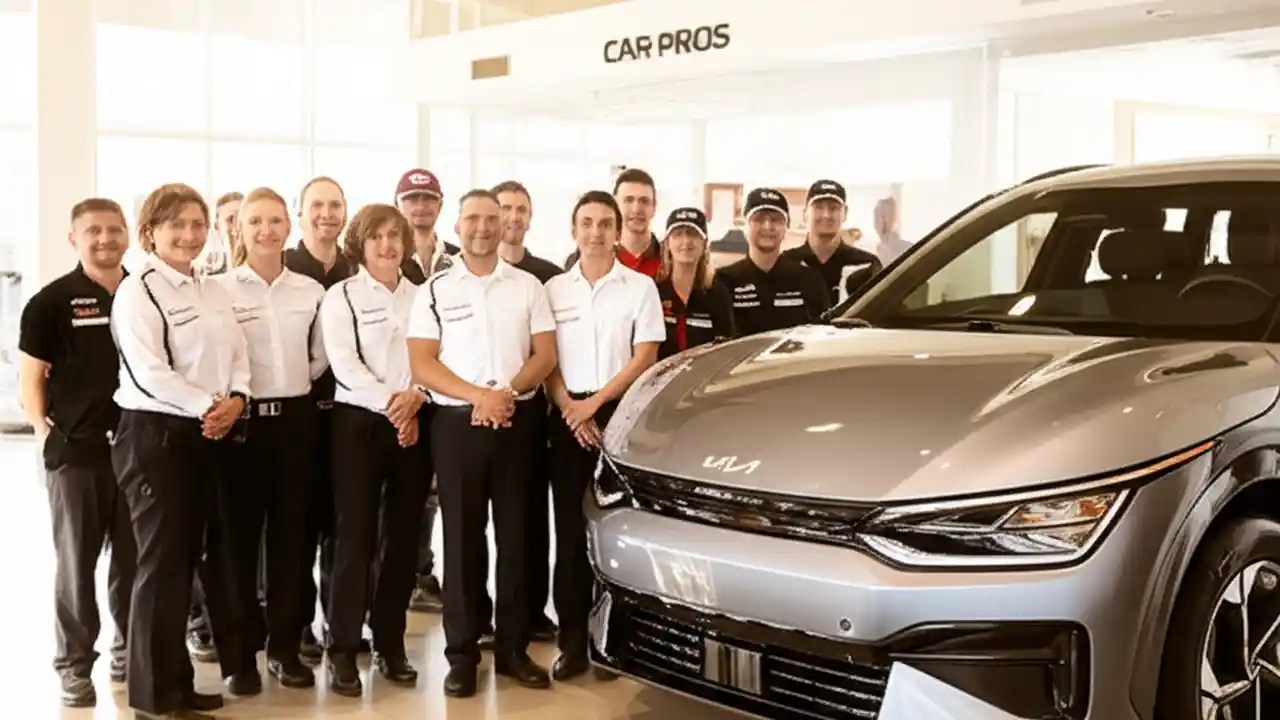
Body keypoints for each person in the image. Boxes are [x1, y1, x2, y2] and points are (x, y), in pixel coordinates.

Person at [407, 188, 557, 697]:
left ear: (504, 225)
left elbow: (545, 355)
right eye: (473, 218)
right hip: (457, 425)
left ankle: (513, 650)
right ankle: (462, 655)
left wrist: (505, 394)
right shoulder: (434, 289)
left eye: (492, 218)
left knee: (516, 538)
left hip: (518, 420)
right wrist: (480, 397)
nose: (484, 227)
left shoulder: (528, 286)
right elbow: (422, 362)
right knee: (462, 542)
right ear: (458, 225)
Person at [110, 183, 249, 720]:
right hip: (157, 438)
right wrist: (210, 406)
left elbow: (237, 354)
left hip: (207, 433)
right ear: (150, 232)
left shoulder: (210, 289)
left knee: (185, 564)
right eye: (177, 225)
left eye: (197, 224)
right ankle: (152, 699)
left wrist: (237, 399)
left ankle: (178, 685)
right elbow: (148, 372)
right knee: (160, 568)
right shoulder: (138, 290)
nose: (190, 235)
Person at [18, 198, 137, 708]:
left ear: (127, 234)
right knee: (75, 565)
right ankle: (74, 667)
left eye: (113, 229)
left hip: (137, 451)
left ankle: (130, 654)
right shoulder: (50, 302)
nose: (105, 238)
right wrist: (45, 433)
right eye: (93, 231)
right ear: (74, 239)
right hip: (77, 454)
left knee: (134, 563)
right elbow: (31, 378)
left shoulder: (143, 291)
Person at [543, 190, 666, 680]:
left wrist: (594, 406)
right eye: (587, 223)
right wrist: (571, 409)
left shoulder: (639, 287)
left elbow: (645, 356)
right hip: (566, 416)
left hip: (620, 415)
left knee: (618, 533)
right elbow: (546, 358)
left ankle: (615, 643)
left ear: (618, 231)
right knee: (571, 534)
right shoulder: (553, 290)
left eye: (604, 224)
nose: (595, 232)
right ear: (573, 230)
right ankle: (572, 642)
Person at [213, 187, 327, 692]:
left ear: (289, 226)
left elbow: (321, 355)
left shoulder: (311, 290)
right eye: (255, 221)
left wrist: (293, 384)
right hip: (241, 426)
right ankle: (239, 659)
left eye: (275, 220)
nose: (266, 230)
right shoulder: (218, 291)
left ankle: (285, 649)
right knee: (235, 545)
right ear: (239, 227)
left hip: (295, 424)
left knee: (293, 542)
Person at [319, 203, 428, 697]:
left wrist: (415, 400)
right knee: (355, 541)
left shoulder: (423, 297)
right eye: (376, 237)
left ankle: (390, 643)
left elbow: (436, 358)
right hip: (360, 426)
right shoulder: (341, 297)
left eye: (394, 236)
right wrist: (395, 406)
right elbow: (346, 366)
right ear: (360, 245)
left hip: (414, 423)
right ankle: (342, 649)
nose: (387, 245)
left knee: (402, 540)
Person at [283, 175, 353, 663]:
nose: (326, 214)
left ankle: (339, 623)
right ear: (300, 212)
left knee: (344, 526)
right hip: (298, 415)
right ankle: (298, 625)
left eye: (335, 205)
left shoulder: (358, 267)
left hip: (349, 416)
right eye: (317, 205)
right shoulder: (285, 268)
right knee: (298, 527)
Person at [718, 187, 830, 336]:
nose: (768, 226)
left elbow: (823, 336)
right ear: (745, 226)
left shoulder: (809, 280)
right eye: (759, 219)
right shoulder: (724, 281)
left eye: (776, 220)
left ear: (786, 227)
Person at [781, 180, 882, 307]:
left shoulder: (866, 264)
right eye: (818, 207)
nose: (826, 215)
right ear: (805, 213)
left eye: (833, 208)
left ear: (845, 213)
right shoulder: (785, 263)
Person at [654, 207, 735, 359]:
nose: (686, 241)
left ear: (704, 243)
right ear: (667, 244)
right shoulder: (653, 292)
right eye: (678, 234)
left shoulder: (717, 294)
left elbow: (726, 350)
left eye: (692, 234)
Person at [562, 168, 661, 276]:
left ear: (654, 206)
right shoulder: (578, 260)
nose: (636, 209)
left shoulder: (669, 259)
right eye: (628, 200)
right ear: (615, 204)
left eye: (644, 201)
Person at [396, 168, 458, 285]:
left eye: (429, 199)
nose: (421, 206)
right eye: (413, 199)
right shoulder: (389, 257)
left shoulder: (458, 258)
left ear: (440, 205)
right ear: (397, 206)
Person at [874, 196, 911, 266]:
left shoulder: (909, 250)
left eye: (885, 215)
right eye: (877, 217)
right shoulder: (872, 251)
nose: (882, 220)